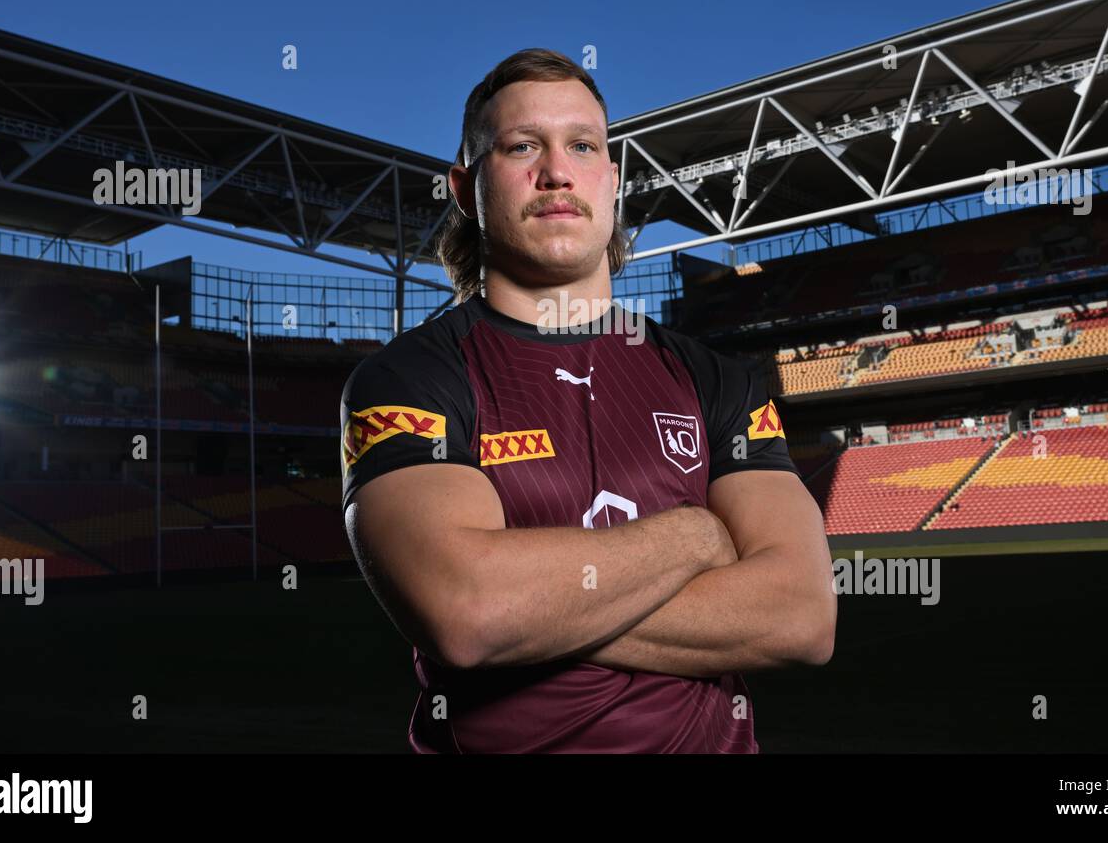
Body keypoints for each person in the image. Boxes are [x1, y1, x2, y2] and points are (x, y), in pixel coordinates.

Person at [340, 48, 836, 753]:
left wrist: (539, 607)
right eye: (521, 146)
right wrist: (699, 538)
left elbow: (801, 616)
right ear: (463, 188)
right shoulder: (409, 380)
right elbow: (470, 614)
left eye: (582, 144)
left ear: (612, 178)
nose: (556, 171)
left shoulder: (721, 381)